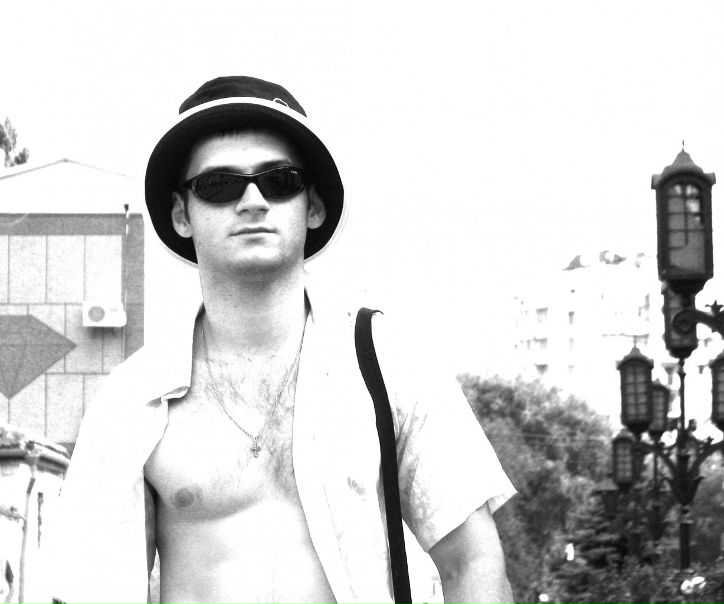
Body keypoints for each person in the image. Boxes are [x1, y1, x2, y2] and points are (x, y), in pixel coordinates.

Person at [42, 76, 516, 604]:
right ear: (181, 214)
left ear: (312, 206)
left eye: (279, 180)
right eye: (218, 185)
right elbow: (85, 591)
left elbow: (473, 563)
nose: (252, 200)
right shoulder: (132, 398)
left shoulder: (385, 362)